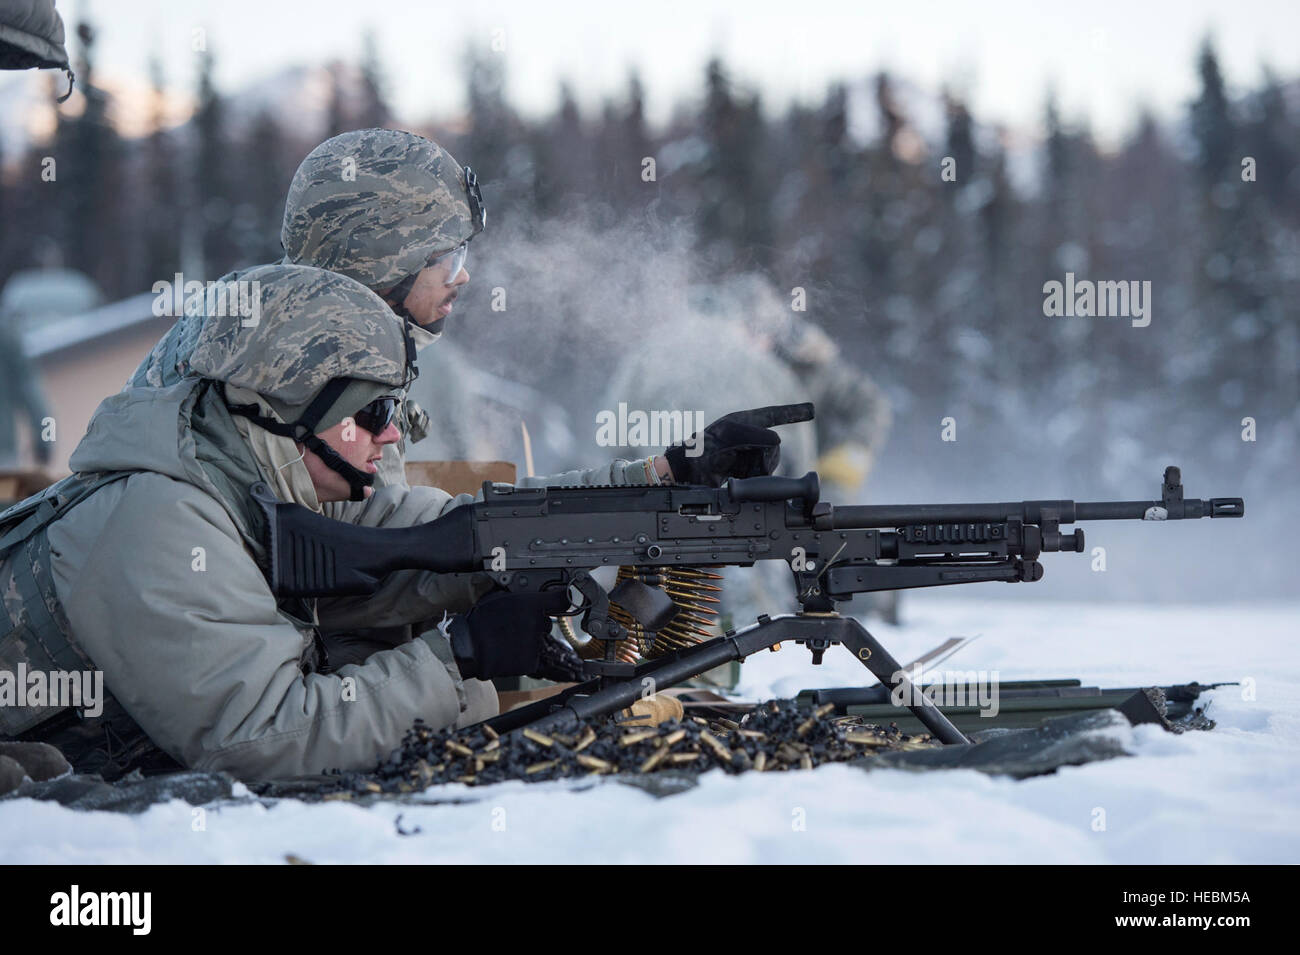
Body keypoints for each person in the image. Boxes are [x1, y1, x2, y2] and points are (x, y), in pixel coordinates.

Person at [0, 264, 576, 781]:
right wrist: (461, 656)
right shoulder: (159, 521)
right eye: (372, 412)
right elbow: (262, 739)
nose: (393, 434)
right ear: (288, 414)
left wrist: (635, 486)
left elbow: (433, 534)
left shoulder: (272, 481)